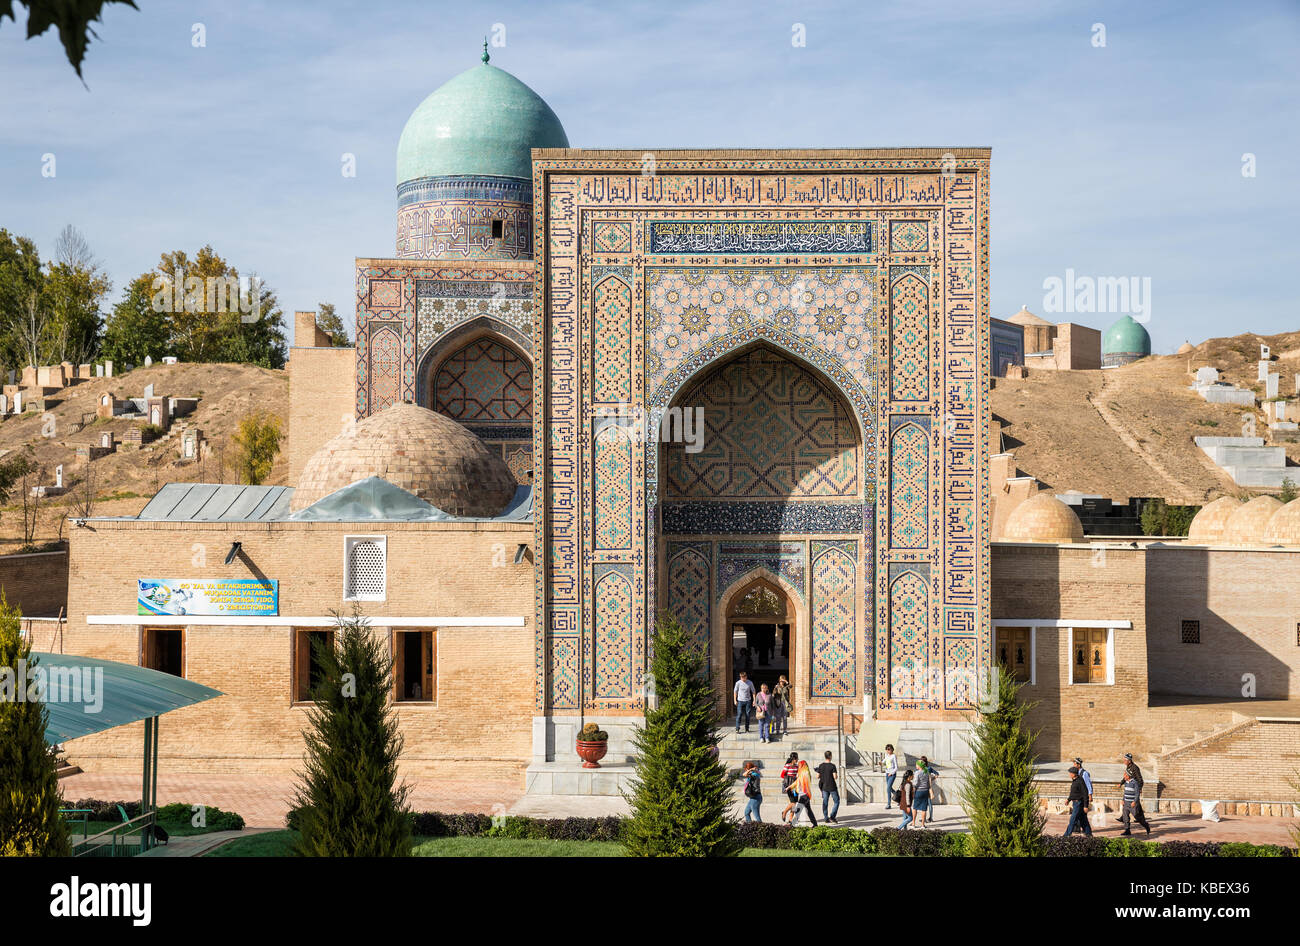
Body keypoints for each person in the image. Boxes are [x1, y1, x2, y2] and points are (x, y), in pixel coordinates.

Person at [1064, 766, 1092, 837]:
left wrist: (1086, 806)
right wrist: (1068, 799)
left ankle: (1066, 835)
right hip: (1075, 802)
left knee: (1072, 820)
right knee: (1083, 819)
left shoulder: (1080, 781)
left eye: (1070, 773)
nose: (1069, 774)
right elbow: (1073, 793)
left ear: (1074, 774)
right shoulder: (1074, 780)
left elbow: (1085, 794)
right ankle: (1088, 834)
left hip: (1079, 803)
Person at [1119, 770, 1150, 836]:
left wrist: (1134, 802)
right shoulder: (1126, 783)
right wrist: (1123, 800)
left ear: (1128, 776)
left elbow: (1137, 793)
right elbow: (1125, 793)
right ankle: (1127, 830)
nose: (1124, 776)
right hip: (1126, 803)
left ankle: (1146, 826)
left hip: (1132, 804)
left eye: (1125, 775)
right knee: (1125, 817)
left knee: (1137, 817)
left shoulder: (1134, 783)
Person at [816, 750, 840, 824]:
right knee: (836, 801)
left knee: (825, 802)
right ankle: (832, 817)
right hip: (832, 787)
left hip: (824, 787)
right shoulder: (832, 766)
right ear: (830, 756)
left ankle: (826, 818)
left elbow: (817, 776)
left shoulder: (821, 765)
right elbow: (835, 777)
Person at [792, 759, 818, 827]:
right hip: (805, 794)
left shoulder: (804, 773)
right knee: (808, 810)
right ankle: (815, 824)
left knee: (798, 810)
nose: (798, 766)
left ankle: (793, 824)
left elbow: (800, 782)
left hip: (804, 795)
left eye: (799, 765)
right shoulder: (804, 772)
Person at [913, 756, 934, 828]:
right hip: (925, 791)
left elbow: (915, 783)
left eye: (916, 764)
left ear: (919, 766)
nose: (915, 765)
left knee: (915, 807)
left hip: (918, 791)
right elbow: (929, 782)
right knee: (924, 809)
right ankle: (922, 825)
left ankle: (913, 823)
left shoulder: (917, 773)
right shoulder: (927, 772)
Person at [779, 752, 800, 824]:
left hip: (795, 785)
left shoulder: (797, 766)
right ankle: (784, 812)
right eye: (797, 758)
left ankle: (791, 819)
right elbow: (782, 775)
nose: (797, 760)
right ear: (794, 759)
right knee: (793, 803)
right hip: (789, 786)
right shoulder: (787, 766)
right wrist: (790, 777)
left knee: (795, 802)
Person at [883, 744, 898, 810]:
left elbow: (896, 767)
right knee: (890, 788)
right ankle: (899, 798)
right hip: (887, 773)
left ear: (892, 749)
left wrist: (891, 773)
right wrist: (881, 762)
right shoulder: (886, 755)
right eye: (887, 749)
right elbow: (884, 761)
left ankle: (889, 804)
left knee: (888, 788)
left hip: (892, 774)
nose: (888, 751)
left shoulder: (894, 756)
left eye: (889, 749)